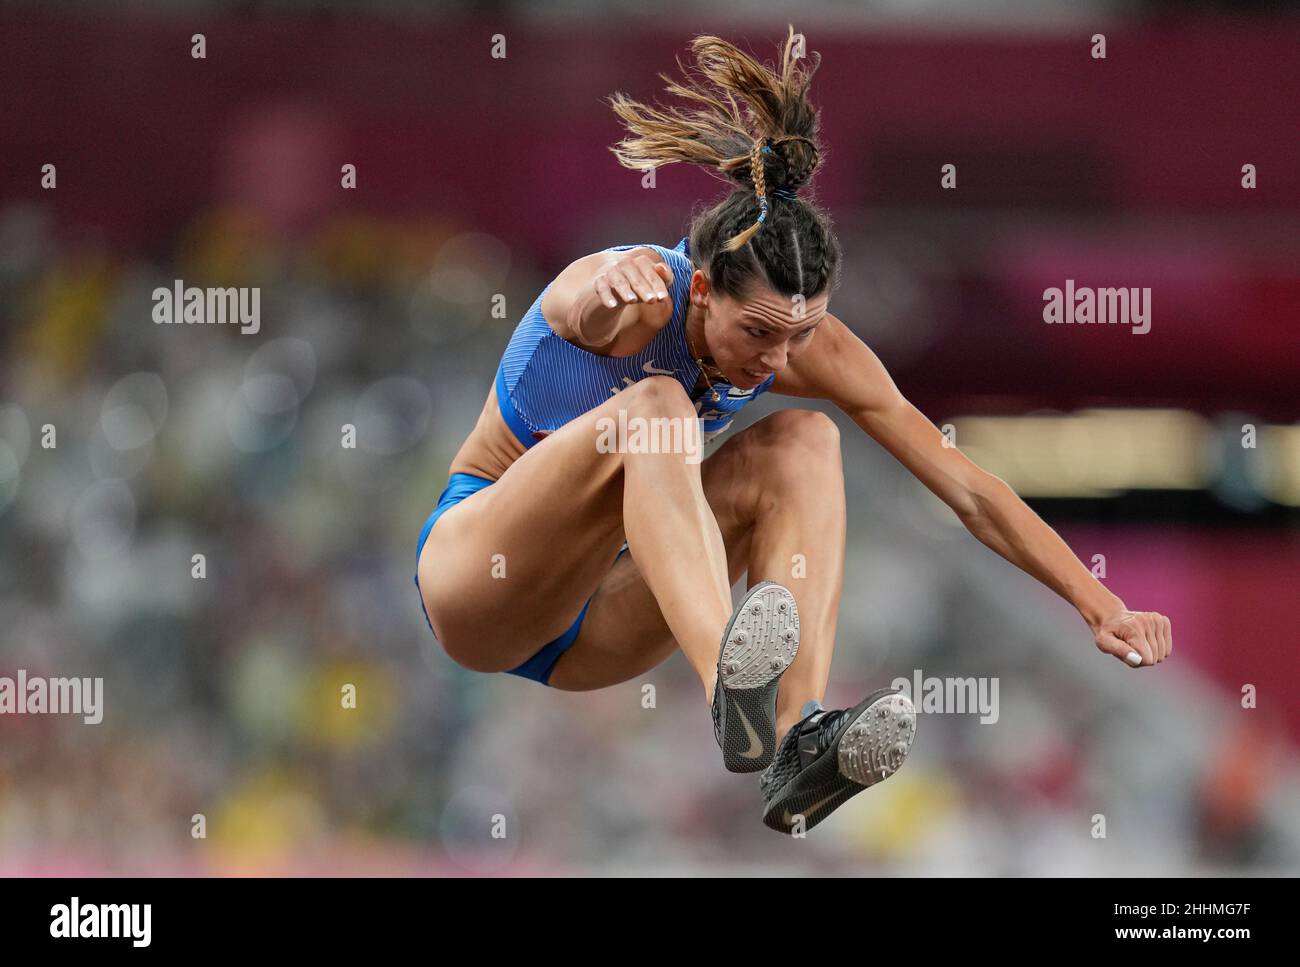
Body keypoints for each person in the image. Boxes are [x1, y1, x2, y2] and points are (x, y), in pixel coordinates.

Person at [415, 26, 1172, 834]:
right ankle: (727, 685)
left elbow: (966, 487)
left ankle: (797, 735)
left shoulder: (802, 344)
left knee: (807, 437)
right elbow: (578, 308)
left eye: (799, 334)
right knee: (659, 405)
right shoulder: (635, 296)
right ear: (702, 289)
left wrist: (1098, 605)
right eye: (761, 333)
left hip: (596, 625)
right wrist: (604, 290)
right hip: (479, 579)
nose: (776, 359)